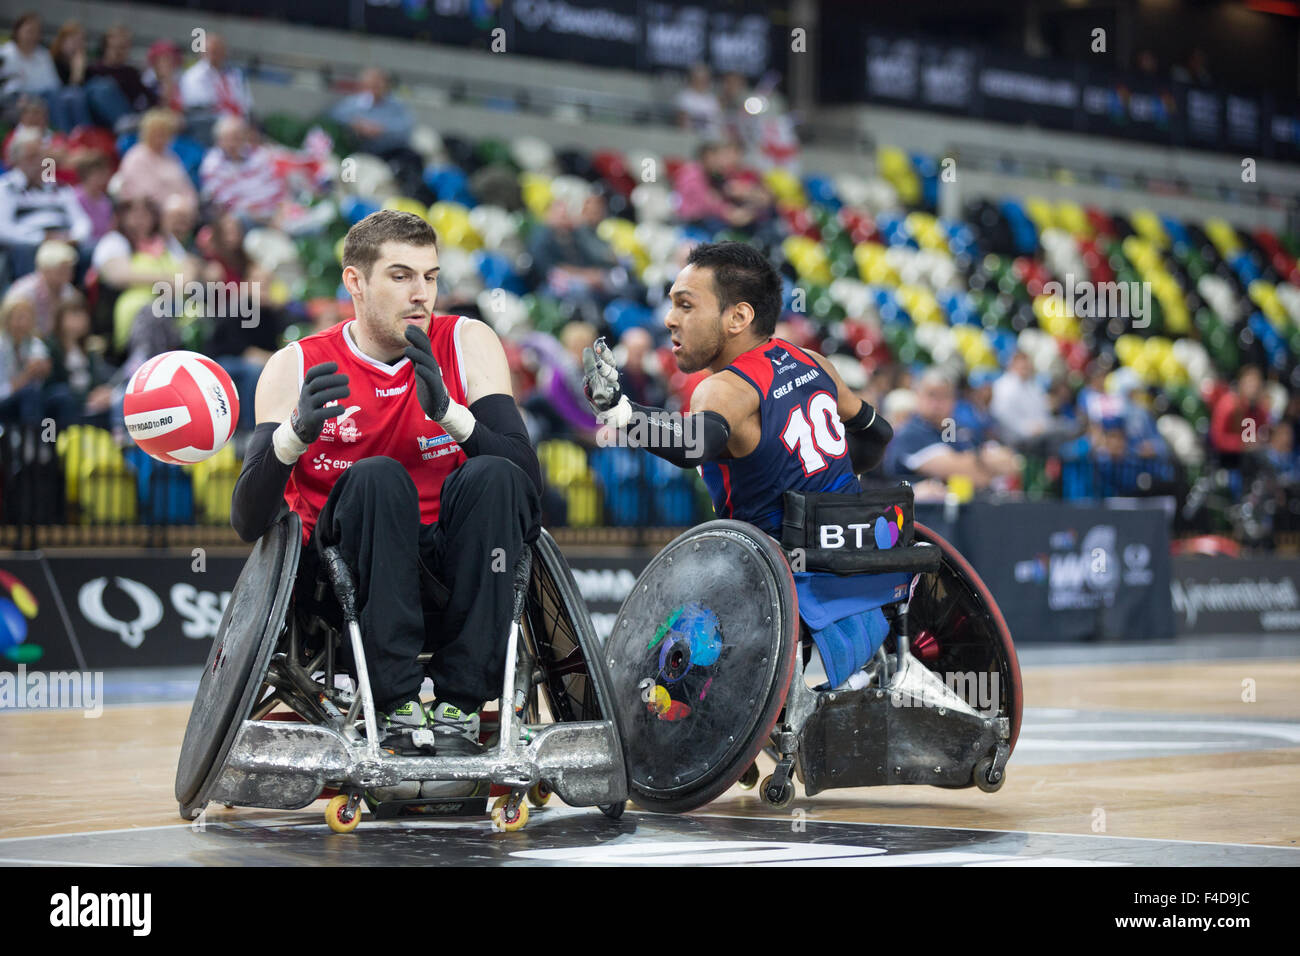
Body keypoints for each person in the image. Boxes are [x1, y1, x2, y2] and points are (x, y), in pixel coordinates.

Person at [229, 209, 542, 763]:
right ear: (356, 281)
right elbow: (247, 520)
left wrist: (450, 414)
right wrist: (294, 436)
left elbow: (527, 487)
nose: (421, 293)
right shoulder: (295, 365)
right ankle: (393, 700)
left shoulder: (468, 342)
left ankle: (461, 704)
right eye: (401, 276)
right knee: (377, 477)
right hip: (342, 587)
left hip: (456, 575)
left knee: (495, 473)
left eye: (431, 276)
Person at [583, 241, 903, 689]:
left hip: (768, 577)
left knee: (643, 678)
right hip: (849, 559)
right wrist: (838, 480)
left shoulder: (724, 389)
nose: (669, 319)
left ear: (738, 317)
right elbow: (879, 435)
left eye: (685, 305)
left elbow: (691, 445)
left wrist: (620, 412)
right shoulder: (813, 362)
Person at [884, 368, 1020, 494]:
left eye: (945, 396)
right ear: (918, 396)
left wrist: (977, 462)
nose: (937, 403)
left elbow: (1012, 464)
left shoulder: (959, 430)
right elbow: (964, 473)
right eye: (931, 395)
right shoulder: (910, 433)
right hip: (920, 515)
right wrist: (984, 462)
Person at [0, 128, 92, 278]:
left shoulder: (60, 188)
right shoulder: (5, 188)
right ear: (15, 160)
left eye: (41, 157)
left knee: (93, 252)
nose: (37, 163)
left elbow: (82, 220)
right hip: (30, 247)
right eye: (31, 157)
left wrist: (74, 237)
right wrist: (40, 238)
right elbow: (4, 230)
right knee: (25, 252)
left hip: (65, 243)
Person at [42, 295, 116, 428]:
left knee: (110, 400)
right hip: (61, 401)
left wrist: (102, 392)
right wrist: (85, 397)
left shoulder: (88, 350)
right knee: (64, 395)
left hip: (86, 399)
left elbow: (96, 379)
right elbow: (52, 384)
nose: (80, 320)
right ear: (60, 318)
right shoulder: (50, 347)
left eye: (83, 315)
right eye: (74, 314)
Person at [115, 108, 198, 213]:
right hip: (150, 213)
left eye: (165, 134)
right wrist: (175, 206)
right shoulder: (136, 157)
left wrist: (188, 205)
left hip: (179, 211)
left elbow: (186, 187)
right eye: (157, 133)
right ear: (146, 133)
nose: (160, 138)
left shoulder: (171, 156)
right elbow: (147, 195)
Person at [4, 239, 80, 337]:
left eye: (70, 269)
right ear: (45, 269)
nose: (69, 275)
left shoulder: (68, 291)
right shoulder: (23, 291)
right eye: (62, 270)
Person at [0, 290, 53, 426]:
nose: (22, 323)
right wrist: (26, 376)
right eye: (18, 317)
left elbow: (41, 359)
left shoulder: (34, 342)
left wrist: (44, 369)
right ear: (6, 319)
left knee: (61, 395)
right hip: (4, 401)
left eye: (27, 317)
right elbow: (3, 391)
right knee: (29, 394)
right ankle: (32, 443)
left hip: (30, 399)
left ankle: (56, 441)